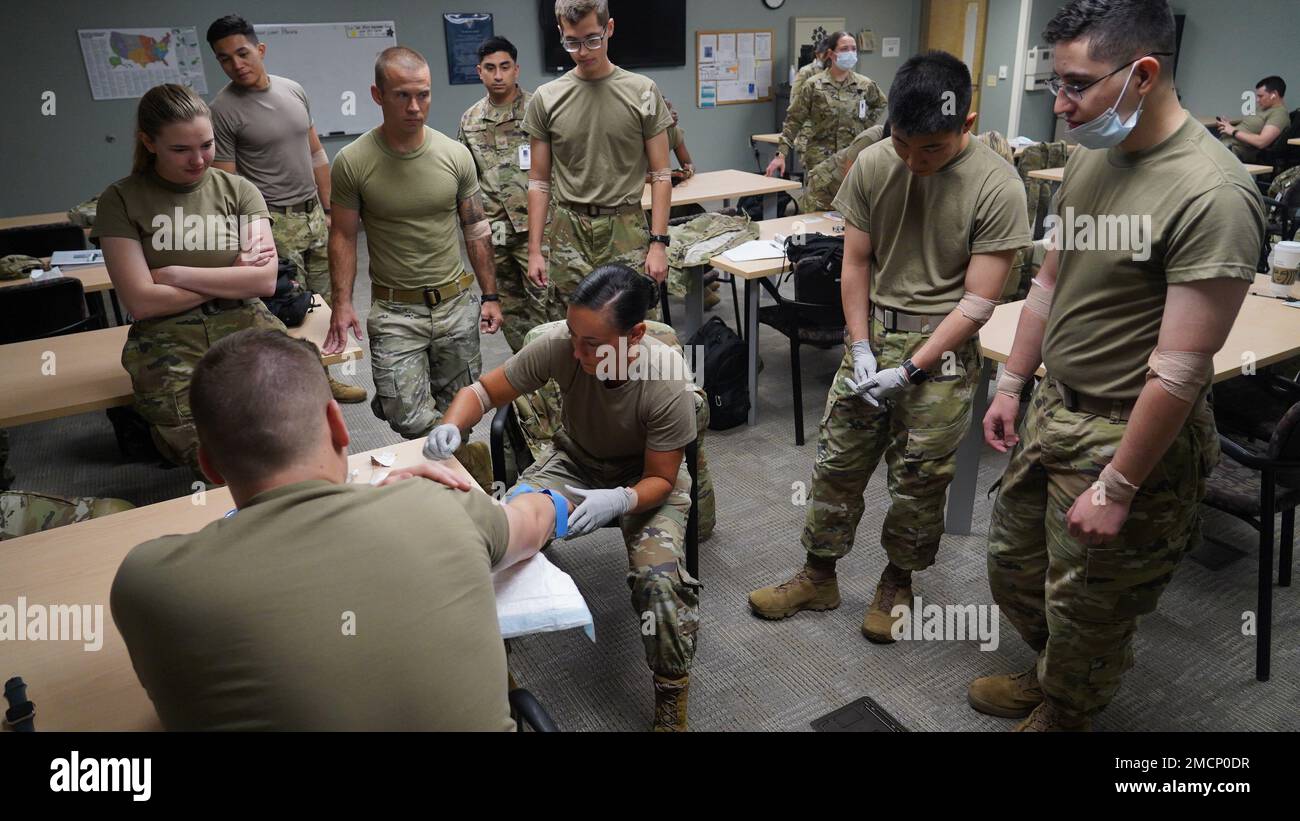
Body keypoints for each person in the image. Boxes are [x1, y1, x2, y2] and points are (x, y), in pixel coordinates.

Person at [973, 0, 1265, 731]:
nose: (1061, 106)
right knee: (1013, 565)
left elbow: (1179, 369)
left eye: (1076, 86)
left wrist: (1120, 483)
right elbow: (1048, 284)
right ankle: (1056, 675)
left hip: (1124, 432)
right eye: (1054, 86)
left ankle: (1068, 708)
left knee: (1090, 604)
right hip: (1054, 408)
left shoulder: (1213, 192)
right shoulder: (1092, 156)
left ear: (1143, 74)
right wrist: (1013, 380)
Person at [111, 329, 562, 730]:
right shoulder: (443, 504)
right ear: (337, 424)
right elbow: (533, 524)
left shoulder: (148, 582)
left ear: (208, 465)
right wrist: (558, 496)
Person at [749, 52, 1030, 646]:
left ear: (967, 124)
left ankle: (897, 584)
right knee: (837, 464)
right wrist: (860, 346)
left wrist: (911, 368)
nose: (913, 160)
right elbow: (855, 261)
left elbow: (979, 303)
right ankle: (818, 574)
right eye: (902, 143)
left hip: (945, 348)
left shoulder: (998, 185)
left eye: (930, 148)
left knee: (920, 478)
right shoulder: (876, 162)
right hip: (873, 332)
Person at [425, 264, 701, 731]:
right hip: (576, 464)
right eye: (573, 334)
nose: (576, 350)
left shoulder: (665, 379)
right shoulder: (566, 349)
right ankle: (496, 679)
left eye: (591, 344)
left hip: (647, 481)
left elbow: (661, 477)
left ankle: (671, 691)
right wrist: (453, 423)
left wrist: (619, 500)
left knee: (659, 583)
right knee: (495, 542)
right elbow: (484, 390)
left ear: (634, 336)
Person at [93, 83, 286, 478]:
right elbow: (143, 301)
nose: (198, 160)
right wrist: (233, 274)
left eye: (206, 145)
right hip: (169, 345)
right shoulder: (121, 200)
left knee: (281, 432)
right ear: (149, 143)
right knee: (210, 456)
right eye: (180, 149)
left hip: (246, 332)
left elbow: (264, 281)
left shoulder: (238, 190)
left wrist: (175, 275)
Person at [323, 47, 503, 453]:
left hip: (455, 302)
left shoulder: (454, 155)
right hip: (395, 310)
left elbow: (475, 227)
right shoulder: (352, 162)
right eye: (402, 95)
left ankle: (455, 495)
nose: (415, 106)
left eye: (423, 94)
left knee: (461, 411)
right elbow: (344, 236)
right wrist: (342, 303)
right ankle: (407, 412)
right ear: (377, 94)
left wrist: (490, 295)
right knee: (408, 416)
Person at [205, 14, 366, 404]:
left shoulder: (293, 90)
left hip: (313, 215)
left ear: (260, 50)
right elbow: (227, 184)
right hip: (271, 222)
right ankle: (294, 392)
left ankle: (329, 378)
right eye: (225, 59)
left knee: (325, 304)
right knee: (284, 312)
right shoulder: (222, 110)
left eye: (242, 53)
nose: (236, 64)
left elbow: (315, 152)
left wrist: (330, 211)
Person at [523, 0, 674, 320]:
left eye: (592, 38)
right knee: (570, 330)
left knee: (634, 331)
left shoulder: (643, 92)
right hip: (568, 231)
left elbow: (661, 174)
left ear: (610, 28)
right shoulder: (546, 98)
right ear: (561, 34)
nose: (583, 51)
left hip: (626, 228)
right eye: (572, 42)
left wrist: (658, 244)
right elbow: (538, 181)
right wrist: (535, 250)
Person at [458, 35, 552, 353]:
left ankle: (559, 380)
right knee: (509, 308)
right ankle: (529, 371)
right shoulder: (470, 121)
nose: (498, 75)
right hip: (493, 232)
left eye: (505, 67)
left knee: (547, 304)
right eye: (490, 68)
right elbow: (465, 178)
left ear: (516, 70)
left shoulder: (538, 110)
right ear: (479, 72)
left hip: (537, 230)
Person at [766, 31, 887, 185]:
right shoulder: (813, 85)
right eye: (844, 49)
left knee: (850, 205)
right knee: (817, 207)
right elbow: (793, 120)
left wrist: (864, 126)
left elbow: (880, 103)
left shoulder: (865, 84)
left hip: (851, 157)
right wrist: (780, 155)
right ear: (831, 53)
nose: (850, 53)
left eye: (853, 49)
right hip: (820, 160)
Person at [801, 123, 885, 212]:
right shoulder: (872, 137)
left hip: (843, 189)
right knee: (814, 222)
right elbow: (849, 170)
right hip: (827, 184)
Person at [1216, 76, 1290, 162]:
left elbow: (1261, 142)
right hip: (1224, 143)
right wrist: (1228, 126)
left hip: (1235, 150)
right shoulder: (1262, 108)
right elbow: (1248, 128)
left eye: (1261, 96)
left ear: (1274, 94)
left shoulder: (1279, 114)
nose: (1257, 100)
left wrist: (1233, 131)